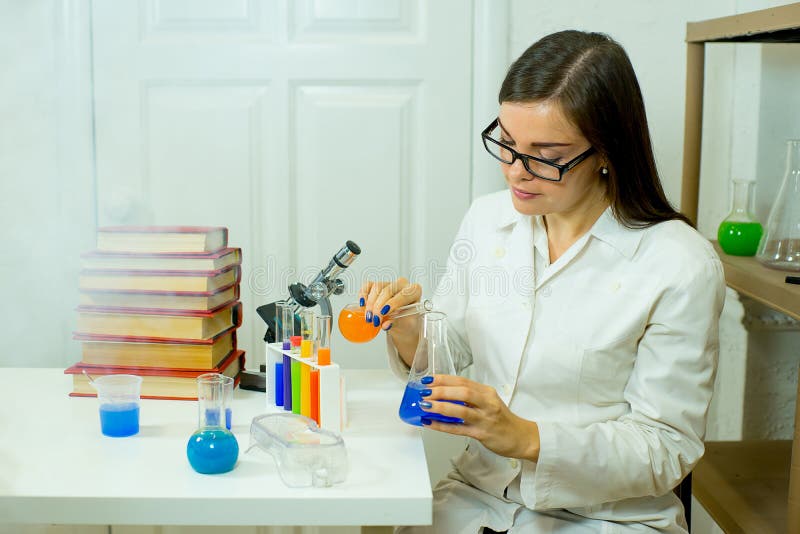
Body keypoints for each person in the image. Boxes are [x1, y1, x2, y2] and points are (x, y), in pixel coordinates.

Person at [359, 30, 725, 533]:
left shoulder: (679, 263)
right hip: (477, 499)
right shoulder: (487, 220)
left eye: (545, 154)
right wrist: (407, 328)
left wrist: (527, 438)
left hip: (610, 519)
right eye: (508, 144)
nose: (515, 171)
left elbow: (666, 446)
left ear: (606, 151)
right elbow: (452, 351)